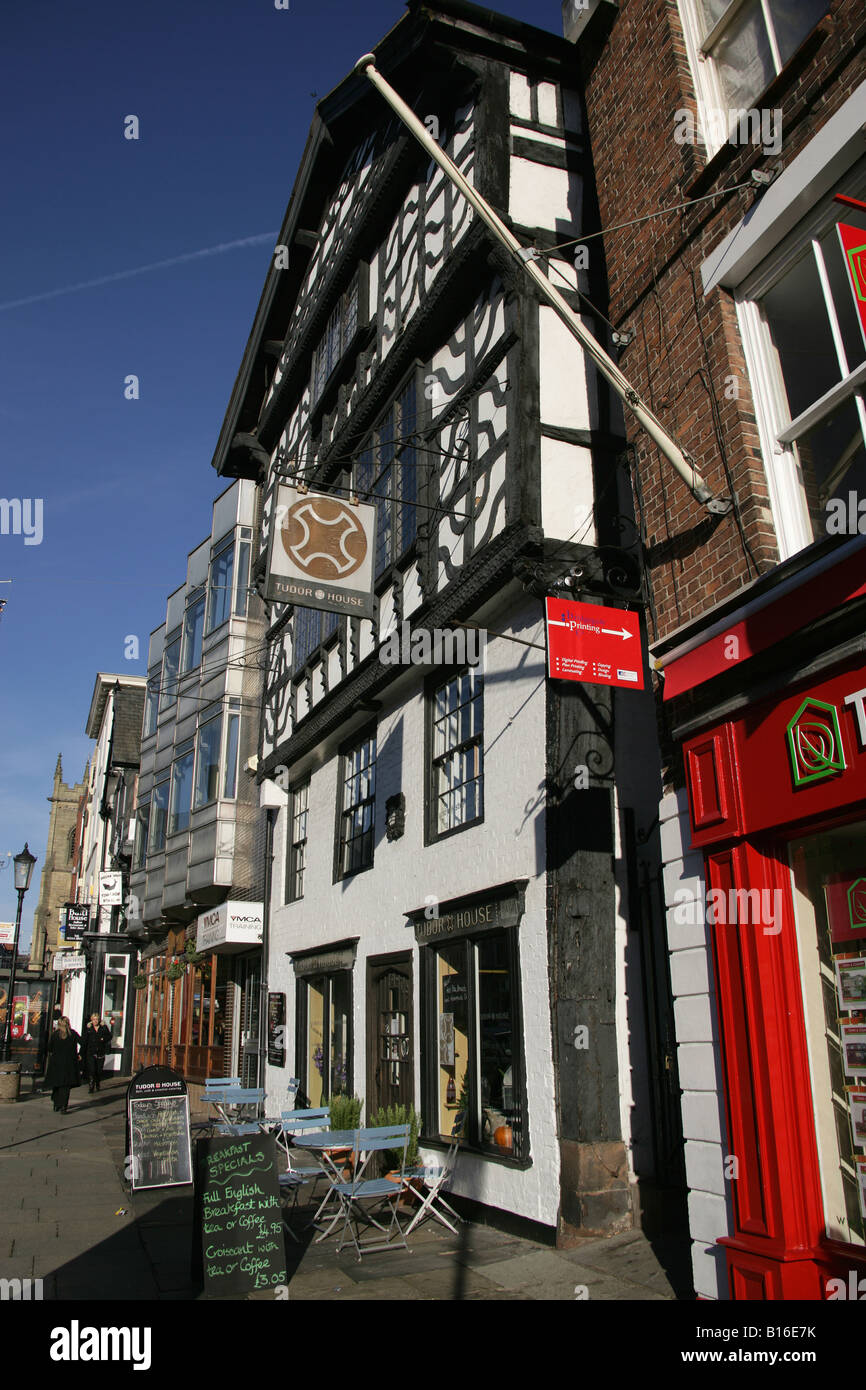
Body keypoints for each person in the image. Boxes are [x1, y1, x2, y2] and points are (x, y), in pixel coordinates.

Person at [43, 1018, 80, 1113]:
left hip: (56, 1063)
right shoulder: (73, 1034)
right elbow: (83, 1042)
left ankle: (56, 1103)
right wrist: (79, 1054)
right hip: (69, 1063)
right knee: (66, 1086)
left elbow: (49, 1048)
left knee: (57, 1084)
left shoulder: (55, 1035)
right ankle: (64, 1106)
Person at [81, 1013, 112, 1093]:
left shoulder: (103, 1028)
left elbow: (109, 1036)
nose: (95, 1021)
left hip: (100, 1052)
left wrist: (103, 1039)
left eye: (96, 1019)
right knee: (92, 1069)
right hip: (91, 1052)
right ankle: (91, 1085)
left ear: (99, 1020)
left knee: (98, 1070)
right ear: (91, 1020)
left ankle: (97, 1082)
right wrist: (81, 1052)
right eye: (93, 1019)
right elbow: (84, 1040)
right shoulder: (89, 1029)